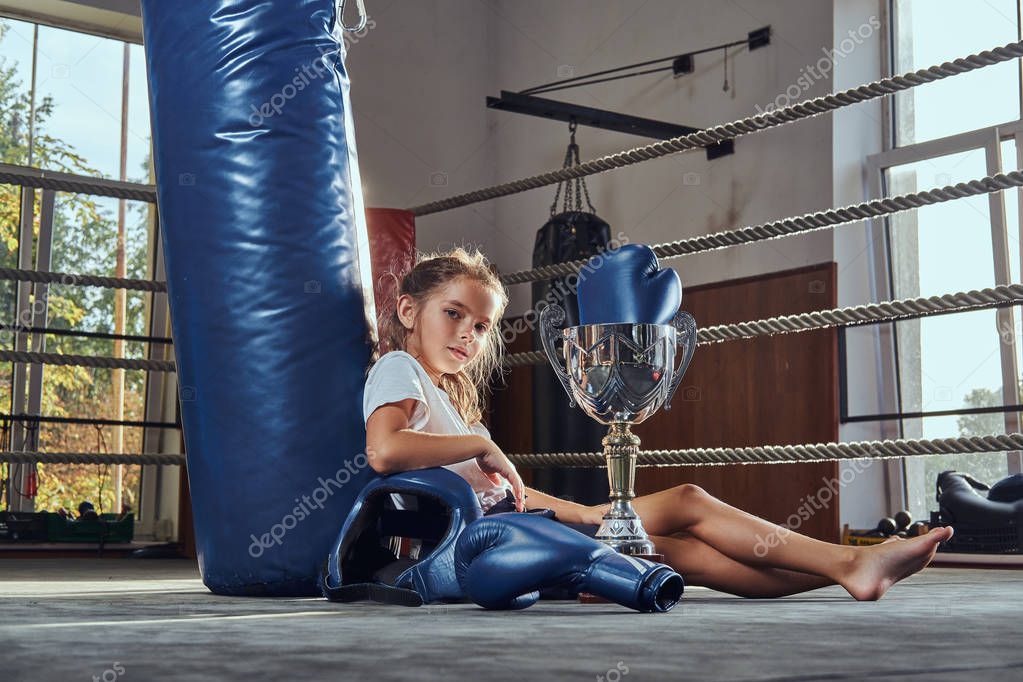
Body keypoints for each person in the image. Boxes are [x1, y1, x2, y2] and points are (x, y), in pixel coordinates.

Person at [363, 246, 954, 600]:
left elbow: (499, 489)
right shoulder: (397, 367)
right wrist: (482, 444)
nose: (469, 332)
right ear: (409, 310)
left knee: (677, 550)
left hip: (520, 524)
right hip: (488, 546)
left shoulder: (443, 395)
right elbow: (384, 452)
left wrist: (586, 512)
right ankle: (848, 564)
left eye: (484, 325)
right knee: (686, 509)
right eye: (454, 314)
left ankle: (849, 569)